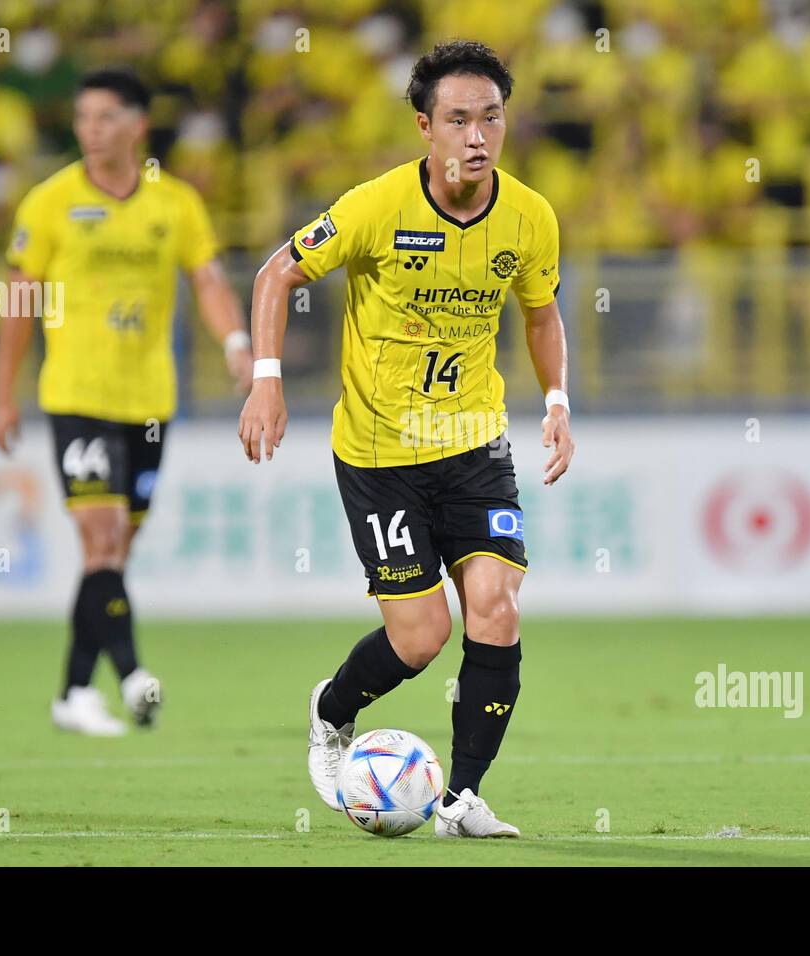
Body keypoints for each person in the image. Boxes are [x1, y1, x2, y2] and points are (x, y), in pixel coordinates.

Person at [238, 41, 575, 836]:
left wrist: (557, 398)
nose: (477, 136)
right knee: (423, 637)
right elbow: (275, 274)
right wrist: (266, 377)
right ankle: (331, 707)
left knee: (495, 607)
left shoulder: (530, 216)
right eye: (458, 119)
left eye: (490, 116)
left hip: (474, 446)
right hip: (380, 454)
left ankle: (463, 800)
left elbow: (540, 311)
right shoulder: (376, 207)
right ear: (425, 126)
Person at [0, 67, 252, 735]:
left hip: (150, 405)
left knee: (112, 554)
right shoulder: (49, 203)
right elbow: (19, 302)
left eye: (105, 117)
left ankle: (73, 693)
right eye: (82, 118)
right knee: (102, 537)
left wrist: (236, 346)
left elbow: (210, 280)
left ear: (138, 125)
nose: (90, 129)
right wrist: (3, 396)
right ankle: (134, 676)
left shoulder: (176, 204)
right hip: (77, 397)